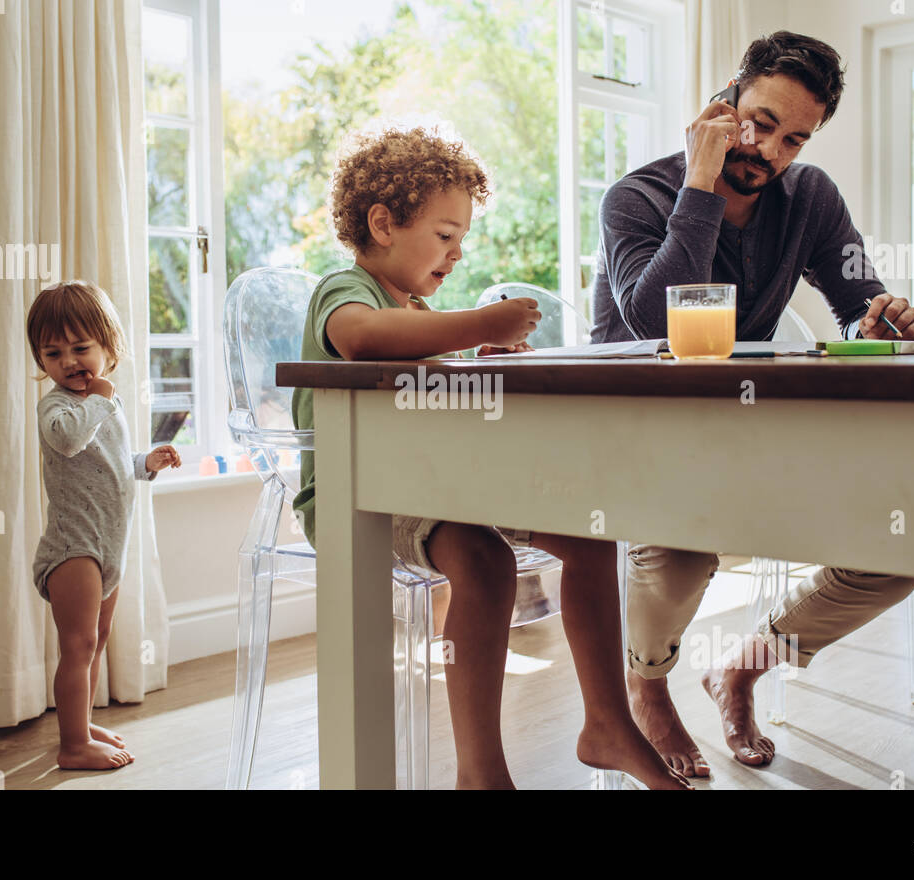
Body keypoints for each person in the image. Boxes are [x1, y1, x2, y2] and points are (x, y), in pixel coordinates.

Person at [293, 126, 688, 789]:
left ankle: (608, 726)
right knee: (484, 561)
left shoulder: (418, 310)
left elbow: (425, 393)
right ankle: (480, 773)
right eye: (445, 236)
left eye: (461, 240)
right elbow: (360, 340)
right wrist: (480, 325)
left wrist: (477, 364)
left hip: (435, 486)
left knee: (590, 535)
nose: (456, 253)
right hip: (356, 492)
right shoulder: (347, 290)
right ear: (383, 223)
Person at [591, 31, 914, 777]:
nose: (770, 150)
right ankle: (647, 688)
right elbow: (656, 324)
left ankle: (738, 670)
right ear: (725, 102)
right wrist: (702, 185)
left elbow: (854, 302)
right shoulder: (634, 200)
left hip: (747, 432)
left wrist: (877, 320)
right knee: (681, 560)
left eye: (794, 138)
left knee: (897, 553)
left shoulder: (807, 198)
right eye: (760, 122)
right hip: (642, 434)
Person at [27, 280, 182, 770]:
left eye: (80, 348)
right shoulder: (58, 407)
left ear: (107, 346)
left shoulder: (103, 408)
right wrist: (101, 396)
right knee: (78, 643)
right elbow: (71, 441)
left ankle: (82, 721)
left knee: (98, 636)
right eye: (53, 353)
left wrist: (146, 462)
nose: (69, 361)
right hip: (74, 548)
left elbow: (109, 464)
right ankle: (71, 745)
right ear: (41, 362)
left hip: (108, 548)